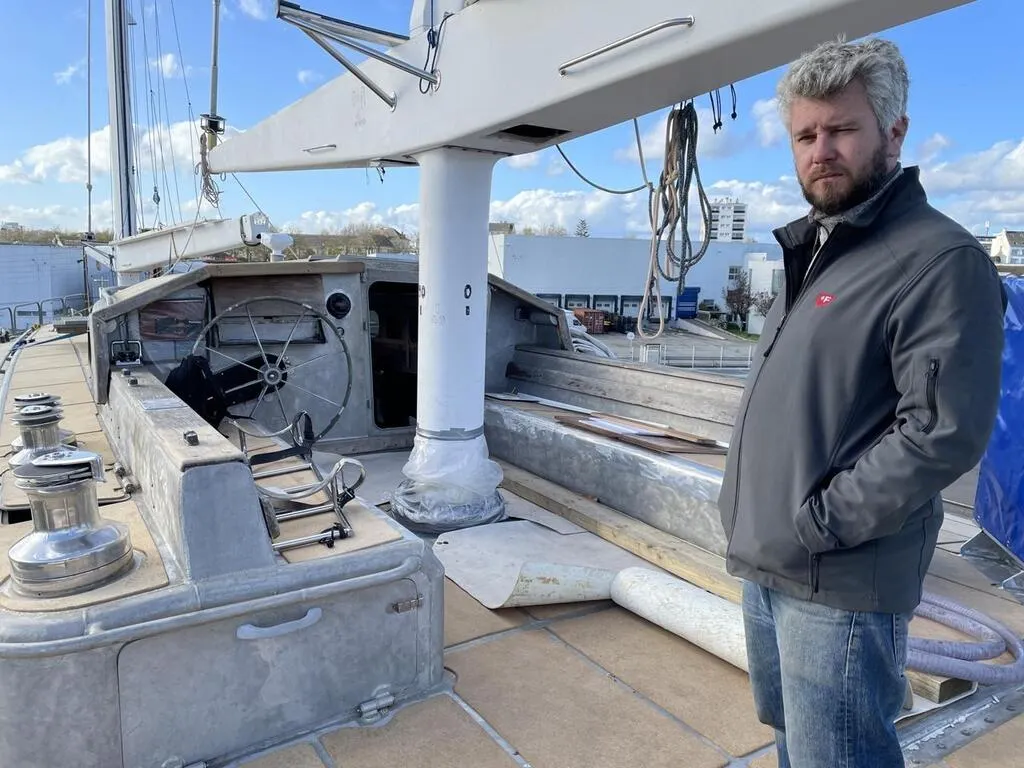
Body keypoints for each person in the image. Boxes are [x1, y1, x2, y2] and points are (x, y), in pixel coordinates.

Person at [717, 37, 1006, 767]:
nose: (821, 151)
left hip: (837, 580)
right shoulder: (812, 250)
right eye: (805, 135)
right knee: (797, 747)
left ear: (894, 131)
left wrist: (818, 524)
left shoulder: (938, 260)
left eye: (841, 129)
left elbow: (940, 433)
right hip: (771, 561)